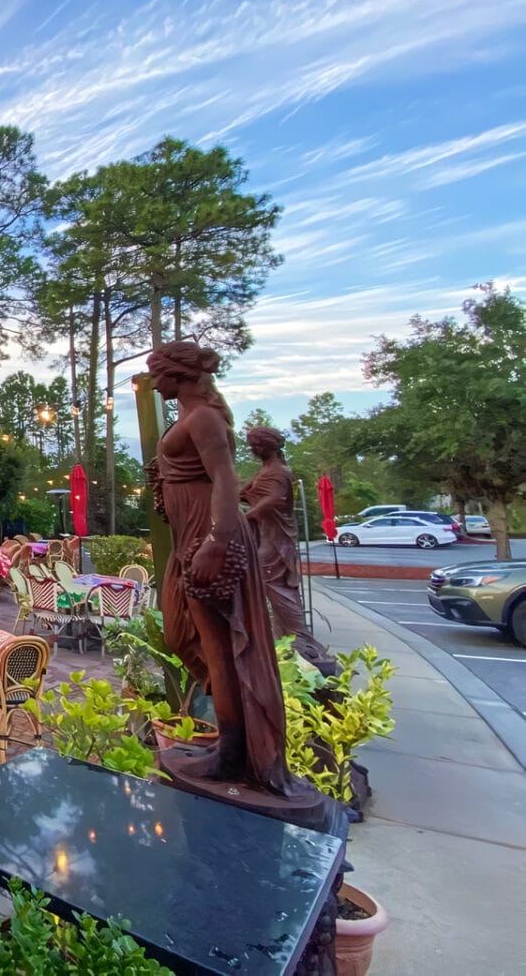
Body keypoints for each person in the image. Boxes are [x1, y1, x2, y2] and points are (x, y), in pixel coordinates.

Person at [147, 340, 295, 796]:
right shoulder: (190, 418)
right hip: (188, 539)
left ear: (179, 374)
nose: (154, 382)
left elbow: (225, 479)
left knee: (221, 646)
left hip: (206, 538)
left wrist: (218, 540)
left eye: (159, 373)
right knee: (180, 634)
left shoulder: (204, 418)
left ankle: (233, 750)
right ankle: (233, 731)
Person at [241, 427, 339, 677]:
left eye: (254, 445)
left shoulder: (278, 472)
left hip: (275, 541)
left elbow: (273, 500)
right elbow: (245, 492)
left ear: (267, 446)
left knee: (275, 586)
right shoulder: (267, 471)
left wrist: (246, 517)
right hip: (265, 535)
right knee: (271, 587)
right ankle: (284, 641)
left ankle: (300, 638)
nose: (252, 450)